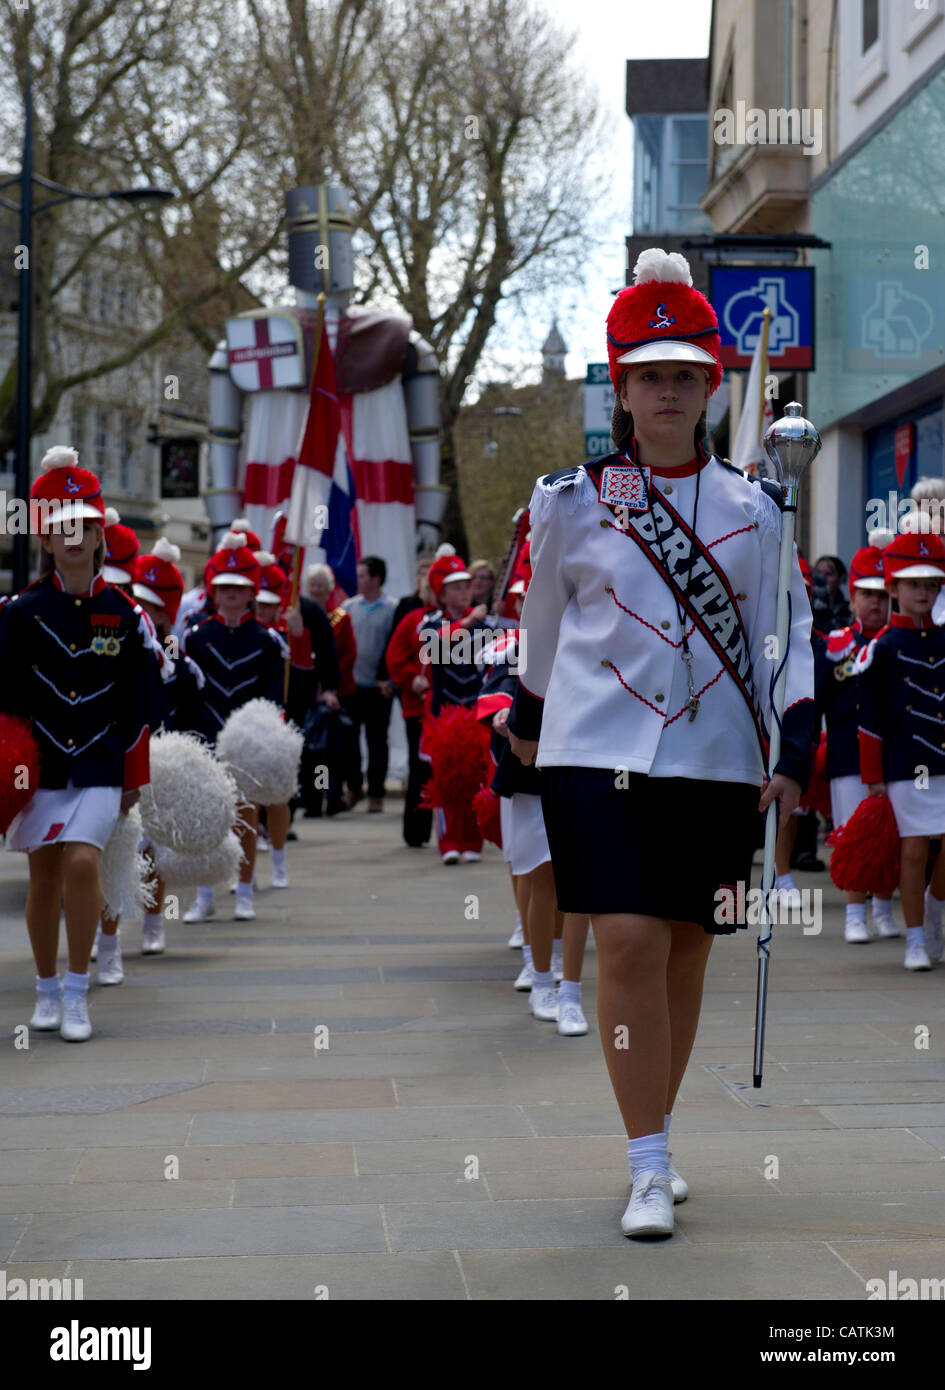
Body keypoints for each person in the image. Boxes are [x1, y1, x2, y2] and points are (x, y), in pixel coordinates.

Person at [507, 247, 814, 1238]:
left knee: (687, 947)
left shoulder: (757, 509)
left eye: (686, 372)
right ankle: (647, 1164)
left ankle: (659, 1128)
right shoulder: (570, 502)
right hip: (600, 752)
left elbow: (790, 635)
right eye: (651, 374)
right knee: (627, 937)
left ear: (710, 386)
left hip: (719, 762)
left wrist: (796, 745)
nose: (669, 390)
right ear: (623, 387)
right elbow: (543, 625)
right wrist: (524, 718)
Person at [0, 446, 154, 1043]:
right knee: (43, 877)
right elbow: (5, 703)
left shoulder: (126, 615)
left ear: (99, 537)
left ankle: (76, 992)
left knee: (83, 861)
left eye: (83, 526)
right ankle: (43, 989)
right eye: (61, 527)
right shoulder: (18, 615)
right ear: (44, 539)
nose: (72, 536)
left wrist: (134, 774)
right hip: (38, 767)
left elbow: (142, 705)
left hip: (98, 764)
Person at [179, 535, 286, 923]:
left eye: (239, 589)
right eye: (224, 587)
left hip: (247, 745)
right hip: (206, 737)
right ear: (213, 590)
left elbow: (274, 700)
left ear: (251, 592)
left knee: (245, 817)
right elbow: (187, 695)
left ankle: (243, 893)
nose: (231, 595)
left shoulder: (268, 640)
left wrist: (258, 736)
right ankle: (204, 895)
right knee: (206, 819)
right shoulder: (195, 636)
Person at [857, 531, 945, 971]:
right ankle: (915, 938)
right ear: (893, 588)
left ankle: (934, 904)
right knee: (913, 851)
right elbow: (869, 721)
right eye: (914, 585)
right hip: (907, 765)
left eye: (931, 585)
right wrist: (872, 778)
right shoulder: (883, 648)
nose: (923, 592)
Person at [816, 545, 898, 943]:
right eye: (867, 594)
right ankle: (854, 914)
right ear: (852, 598)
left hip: (894, 757)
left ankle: (883, 910)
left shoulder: (898, 642)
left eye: (883, 595)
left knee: (889, 835)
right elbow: (817, 701)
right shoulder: (833, 646)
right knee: (850, 834)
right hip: (847, 756)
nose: (876, 603)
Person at [417, 550, 500, 864]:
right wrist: (467, 622)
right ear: (441, 594)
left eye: (466, 586)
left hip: (475, 715)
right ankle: (448, 842)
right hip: (443, 716)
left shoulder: (487, 625)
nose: (464, 591)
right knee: (446, 783)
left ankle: (473, 842)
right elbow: (433, 646)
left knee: (475, 780)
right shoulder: (432, 623)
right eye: (456, 587)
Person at [385, 562, 437, 847]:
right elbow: (394, 656)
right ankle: (417, 831)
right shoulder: (414, 619)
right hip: (418, 707)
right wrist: (410, 679)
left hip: (451, 708)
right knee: (420, 769)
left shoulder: (466, 621)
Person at [341, 557, 397, 812]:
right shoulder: (348, 607)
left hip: (378, 689)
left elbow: (396, 648)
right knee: (350, 742)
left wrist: (389, 680)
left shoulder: (392, 608)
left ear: (376, 579)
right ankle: (353, 788)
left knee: (377, 742)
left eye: (363, 575)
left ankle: (376, 793)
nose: (359, 580)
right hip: (352, 687)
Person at [304, 563, 352, 816]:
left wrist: (330, 687)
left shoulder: (340, 619)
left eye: (321, 585)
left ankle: (332, 797)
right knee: (313, 754)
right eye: (312, 584)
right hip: (308, 693)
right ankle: (313, 800)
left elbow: (344, 656)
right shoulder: (301, 616)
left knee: (331, 753)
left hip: (333, 694)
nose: (316, 589)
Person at [815, 554, 853, 629]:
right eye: (818, 573)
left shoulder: (848, 611)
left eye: (828, 574)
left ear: (842, 577)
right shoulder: (808, 606)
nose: (822, 578)